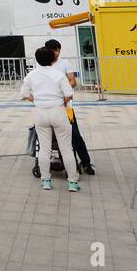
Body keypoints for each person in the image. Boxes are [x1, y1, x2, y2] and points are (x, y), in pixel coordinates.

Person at [22, 46, 80, 192]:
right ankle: (72, 182)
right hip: (58, 112)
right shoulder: (59, 74)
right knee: (66, 148)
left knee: (44, 148)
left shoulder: (31, 75)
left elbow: (23, 93)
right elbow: (69, 93)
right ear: (54, 59)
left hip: (40, 113)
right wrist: (62, 101)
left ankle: (46, 180)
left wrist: (35, 100)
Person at [44, 38, 95, 175]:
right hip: (48, 107)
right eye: (54, 50)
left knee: (75, 135)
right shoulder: (42, 64)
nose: (57, 53)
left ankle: (86, 163)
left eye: (58, 50)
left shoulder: (65, 63)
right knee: (51, 138)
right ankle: (57, 162)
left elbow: (73, 81)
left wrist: (62, 87)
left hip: (66, 108)